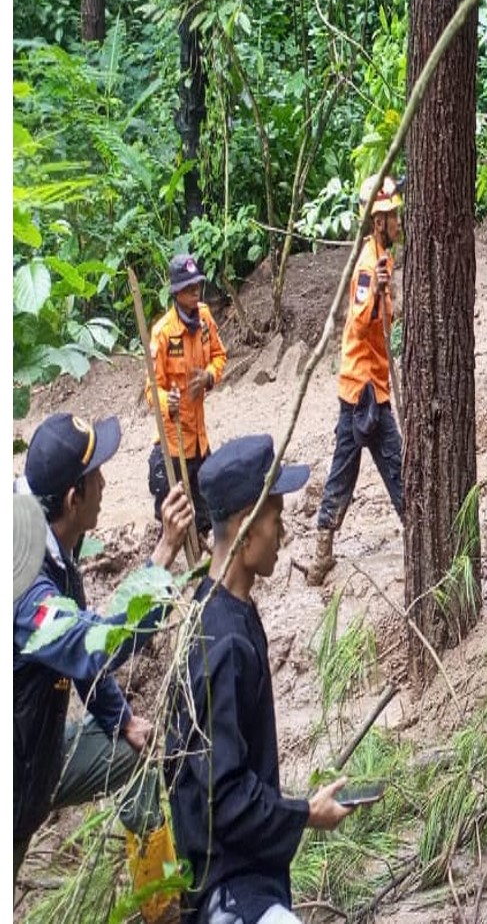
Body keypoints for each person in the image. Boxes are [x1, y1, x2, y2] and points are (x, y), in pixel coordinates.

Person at [167, 434, 353, 922]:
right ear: (246, 531)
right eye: (276, 519)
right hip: (231, 891)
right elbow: (224, 797)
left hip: (245, 876)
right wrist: (305, 814)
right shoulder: (223, 642)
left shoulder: (221, 607)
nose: (283, 533)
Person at [13, 412, 193, 873]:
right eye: (97, 477)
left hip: (36, 755)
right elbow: (94, 643)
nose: (106, 484)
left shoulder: (44, 531)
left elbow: (75, 652)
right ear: (74, 498)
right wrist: (161, 559)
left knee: (133, 754)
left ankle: (161, 905)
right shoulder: (25, 583)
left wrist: (123, 719)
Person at [308, 176, 405, 586]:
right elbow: (362, 320)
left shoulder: (384, 258)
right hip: (364, 390)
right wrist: (380, 293)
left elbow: (390, 314)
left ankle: (321, 554)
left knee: (345, 469)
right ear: (377, 221)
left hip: (367, 383)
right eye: (393, 215)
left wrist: (392, 296)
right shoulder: (368, 267)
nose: (399, 221)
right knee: (394, 462)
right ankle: (414, 525)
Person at [149, 252, 227, 536]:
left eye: (198, 286)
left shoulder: (205, 318)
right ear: (176, 292)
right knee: (174, 517)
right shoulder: (162, 334)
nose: (196, 292)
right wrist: (164, 401)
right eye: (189, 288)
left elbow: (219, 355)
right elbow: (151, 388)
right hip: (173, 442)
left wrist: (209, 376)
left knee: (208, 512)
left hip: (200, 438)